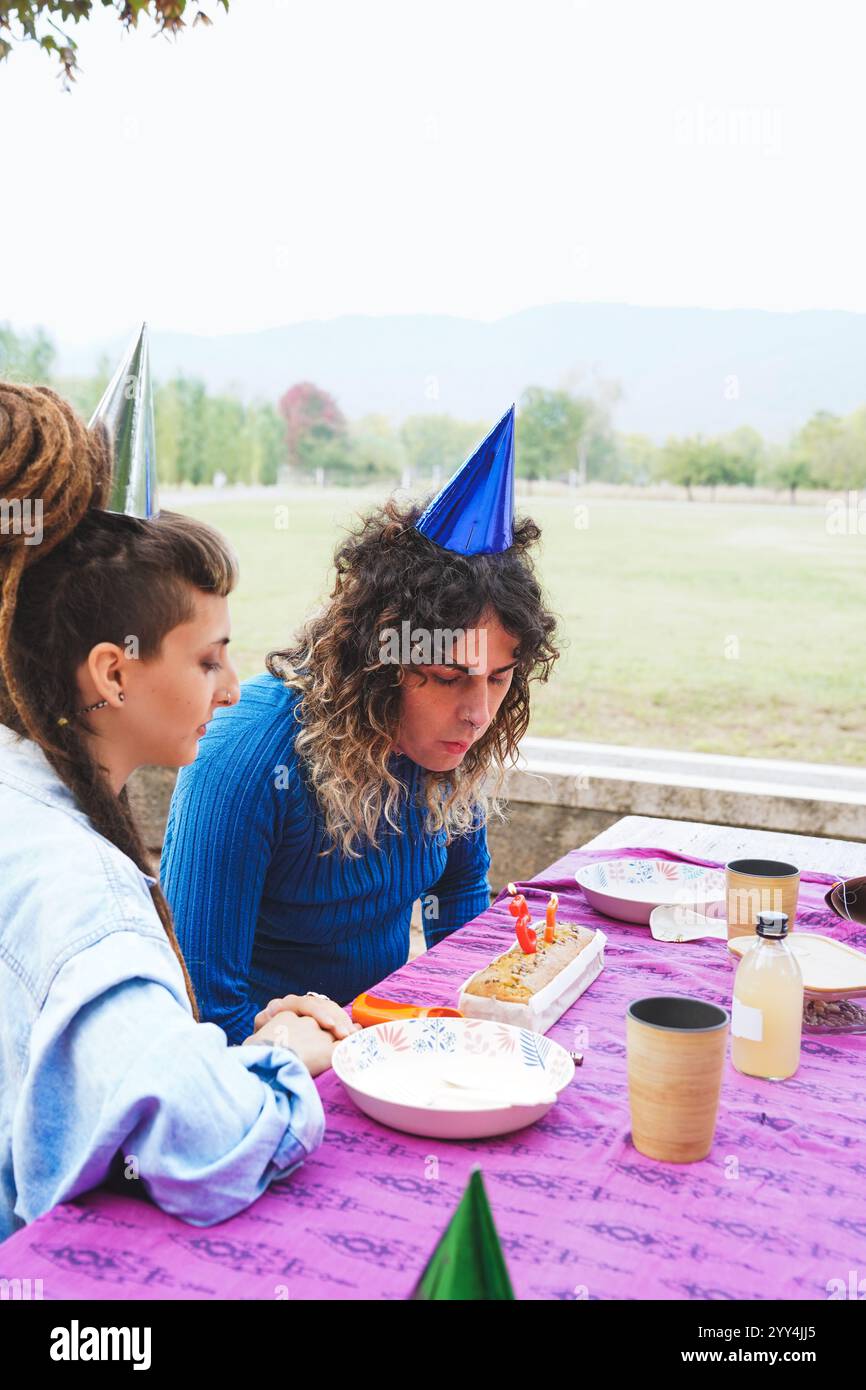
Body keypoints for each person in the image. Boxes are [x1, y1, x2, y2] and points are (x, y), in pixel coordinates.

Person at [0, 373, 352, 1242]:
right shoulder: (83, 890)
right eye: (208, 661)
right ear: (113, 672)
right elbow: (205, 1142)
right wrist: (286, 1060)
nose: (233, 691)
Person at [162, 406, 560, 1043]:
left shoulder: (449, 747)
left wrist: (475, 1031)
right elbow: (200, 1007)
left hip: (386, 1047)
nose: (479, 714)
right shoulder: (245, 759)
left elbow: (459, 899)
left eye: (500, 677)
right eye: (450, 677)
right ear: (383, 661)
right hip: (273, 1076)